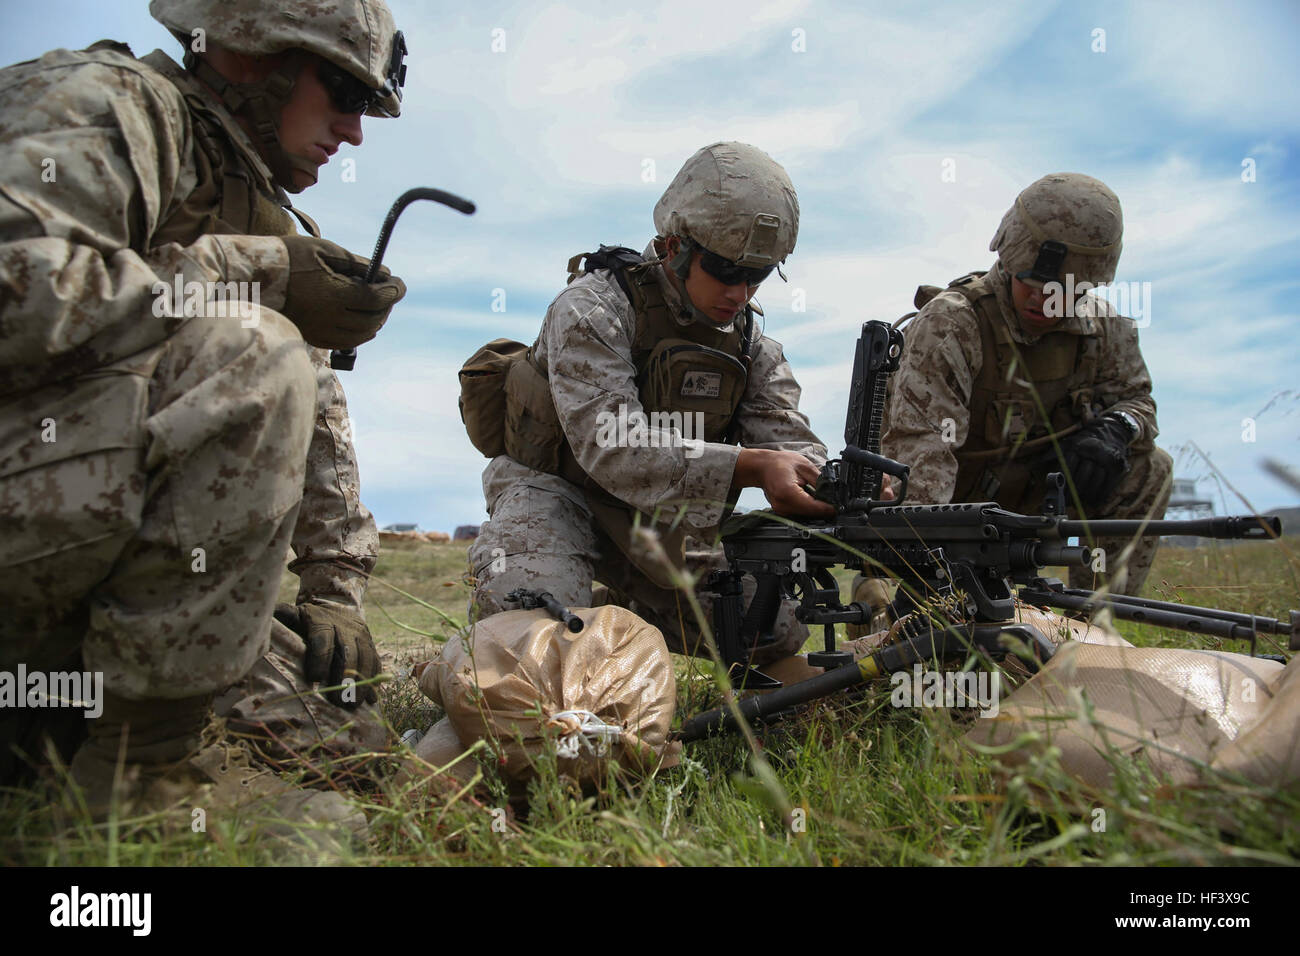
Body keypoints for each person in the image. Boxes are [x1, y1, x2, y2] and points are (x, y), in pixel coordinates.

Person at [0, 0, 406, 821]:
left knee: (353, 748)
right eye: (344, 94)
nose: (355, 133)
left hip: (87, 561)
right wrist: (250, 276)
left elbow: (316, 414)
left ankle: (55, 737)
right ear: (256, 53)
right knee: (254, 352)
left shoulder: (249, 196)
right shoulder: (100, 102)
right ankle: (140, 784)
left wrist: (333, 587)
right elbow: (18, 288)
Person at [465, 142, 832, 667]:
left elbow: (787, 438)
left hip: (657, 520)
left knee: (765, 630)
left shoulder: (752, 345)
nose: (741, 291)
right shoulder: (593, 308)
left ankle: (613, 618)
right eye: (727, 270)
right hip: (557, 490)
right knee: (531, 627)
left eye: (759, 274)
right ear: (674, 245)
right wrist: (750, 466)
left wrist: (830, 481)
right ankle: (569, 613)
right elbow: (613, 445)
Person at [879, 172, 1173, 599]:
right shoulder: (954, 322)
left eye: (1062, 292)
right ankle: (884, 592)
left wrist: (1118, 427)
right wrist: (931, 574)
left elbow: (1138, 401)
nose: (1043, 302)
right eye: (1031, 284)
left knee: (1152, 467)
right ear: (1010, 259)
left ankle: (1094, 628)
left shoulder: (1107, 330)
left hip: (1034, 503)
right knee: (944, 630)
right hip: (949, 503)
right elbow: (922, 453)